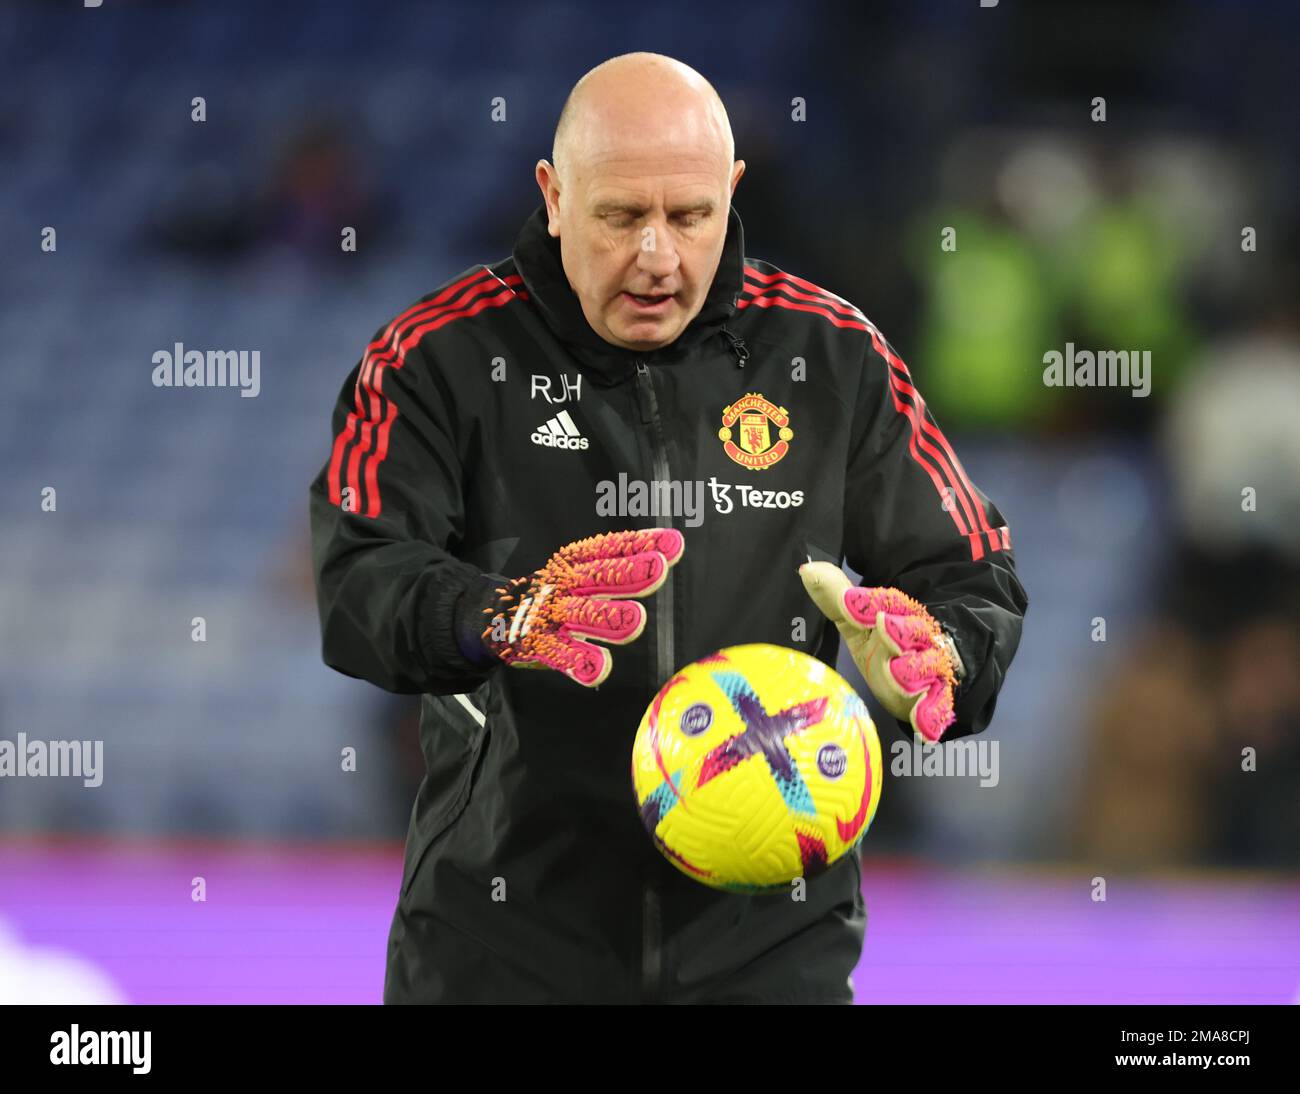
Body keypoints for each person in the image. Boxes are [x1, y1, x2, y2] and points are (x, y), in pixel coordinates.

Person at [309, 52, 1026, 1004]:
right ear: (554, 195)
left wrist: (946, 652)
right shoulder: (436, 357)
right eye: (619, 217)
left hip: (773, 954)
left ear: (732, 192)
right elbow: (358, 578)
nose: (657, 256)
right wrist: (498, 614)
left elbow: (971, 573)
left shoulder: (833, 354)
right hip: (498, 947)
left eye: (690, 216)